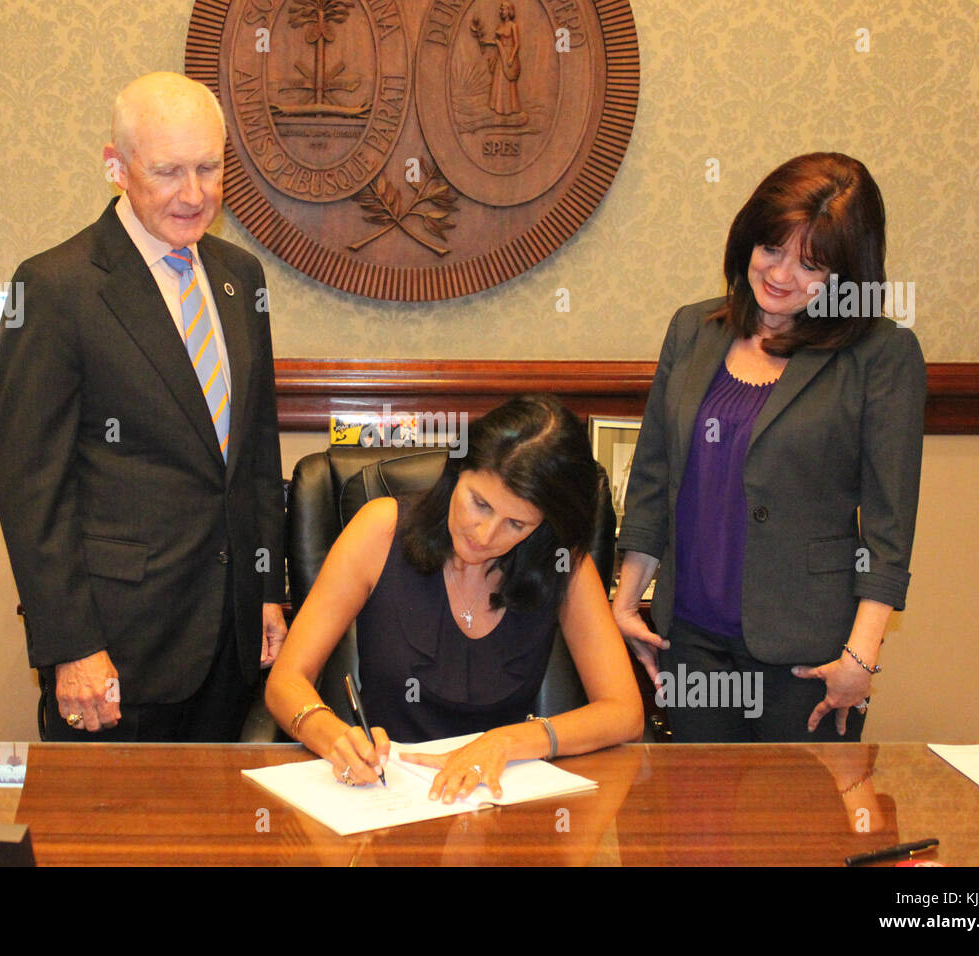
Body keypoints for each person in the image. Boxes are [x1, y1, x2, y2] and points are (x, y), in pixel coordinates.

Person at [0, 72, 286, 742]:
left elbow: (257, 453)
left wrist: (268, 587)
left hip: (232, 642)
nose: (194, 194)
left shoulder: (242, 278)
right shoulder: (55, 287)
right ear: (115, 167)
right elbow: (30, 488)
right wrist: (71, 646)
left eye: (209, 168)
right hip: (116, 651)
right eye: (168, 172)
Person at [612, 152, 926, 743]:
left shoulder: (881, 356)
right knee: (693, 830)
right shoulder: (692, 328)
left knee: (798, 832)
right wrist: (626, 604)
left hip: (809, 658)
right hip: (693, 645)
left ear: (848, 275)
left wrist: (860, 659)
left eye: (812, 264)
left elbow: (889, 528)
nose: (781, 275)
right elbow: (655, 478)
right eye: (772, 248)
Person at [266, 395, 643, 802]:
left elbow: (624, 712)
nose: (485, 535)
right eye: (479, 503)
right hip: (385, 797)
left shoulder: (561, 563)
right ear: (457, 473)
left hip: (497, 798)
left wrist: (508, 742)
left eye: (516, 523)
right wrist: (330, 734)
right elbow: (285, 681)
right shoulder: (381, 530)